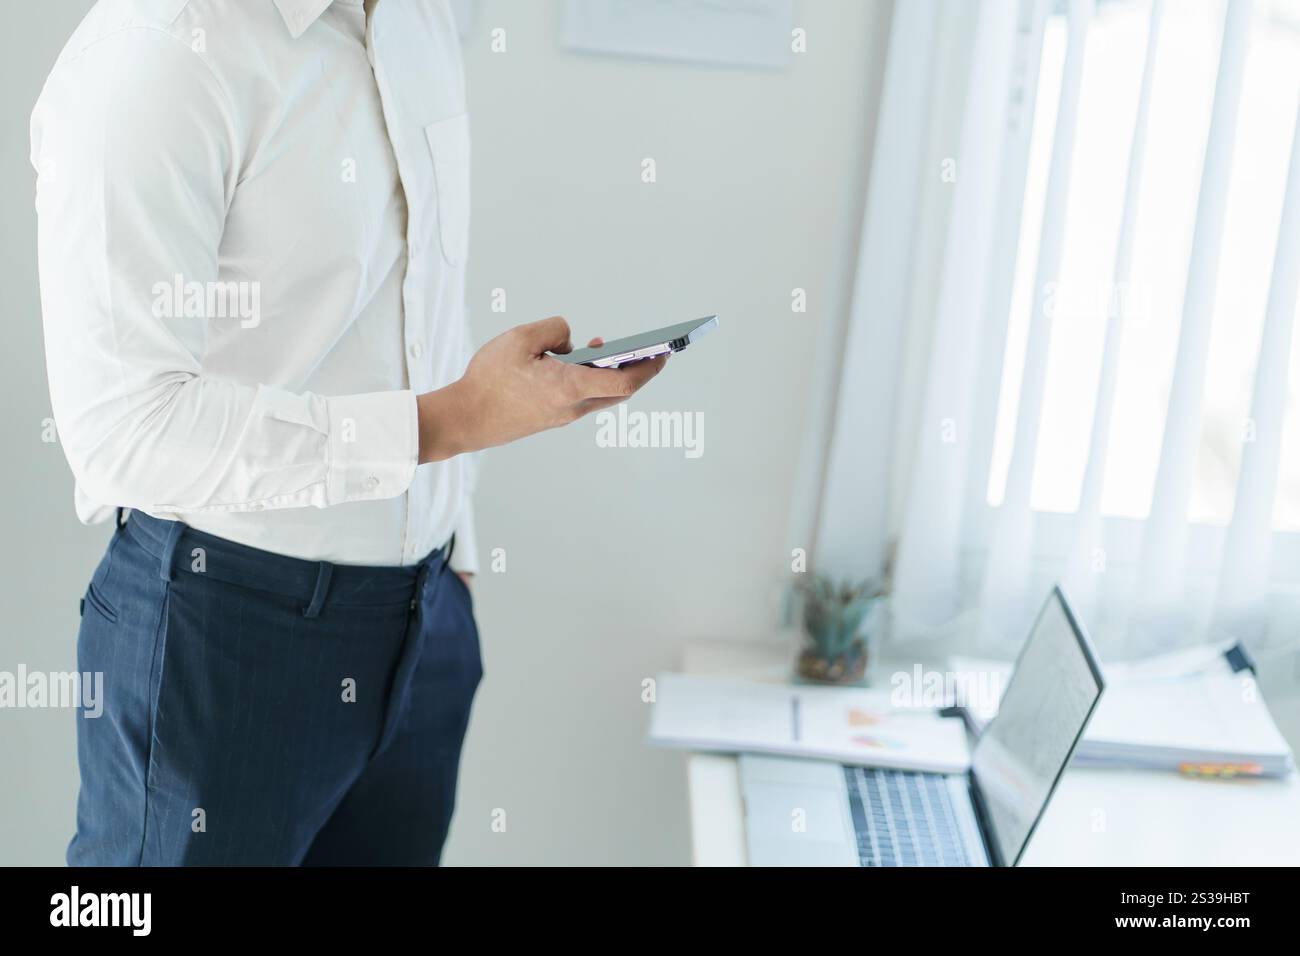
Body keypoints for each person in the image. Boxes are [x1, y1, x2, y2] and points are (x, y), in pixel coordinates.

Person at [30, 0, 665, 866]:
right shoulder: (153, 51)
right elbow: (123, 426)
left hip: (425, 627)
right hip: (221, 638)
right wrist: (459, 420)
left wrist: (454, 558)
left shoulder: (422, 19)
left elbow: (420, 291)